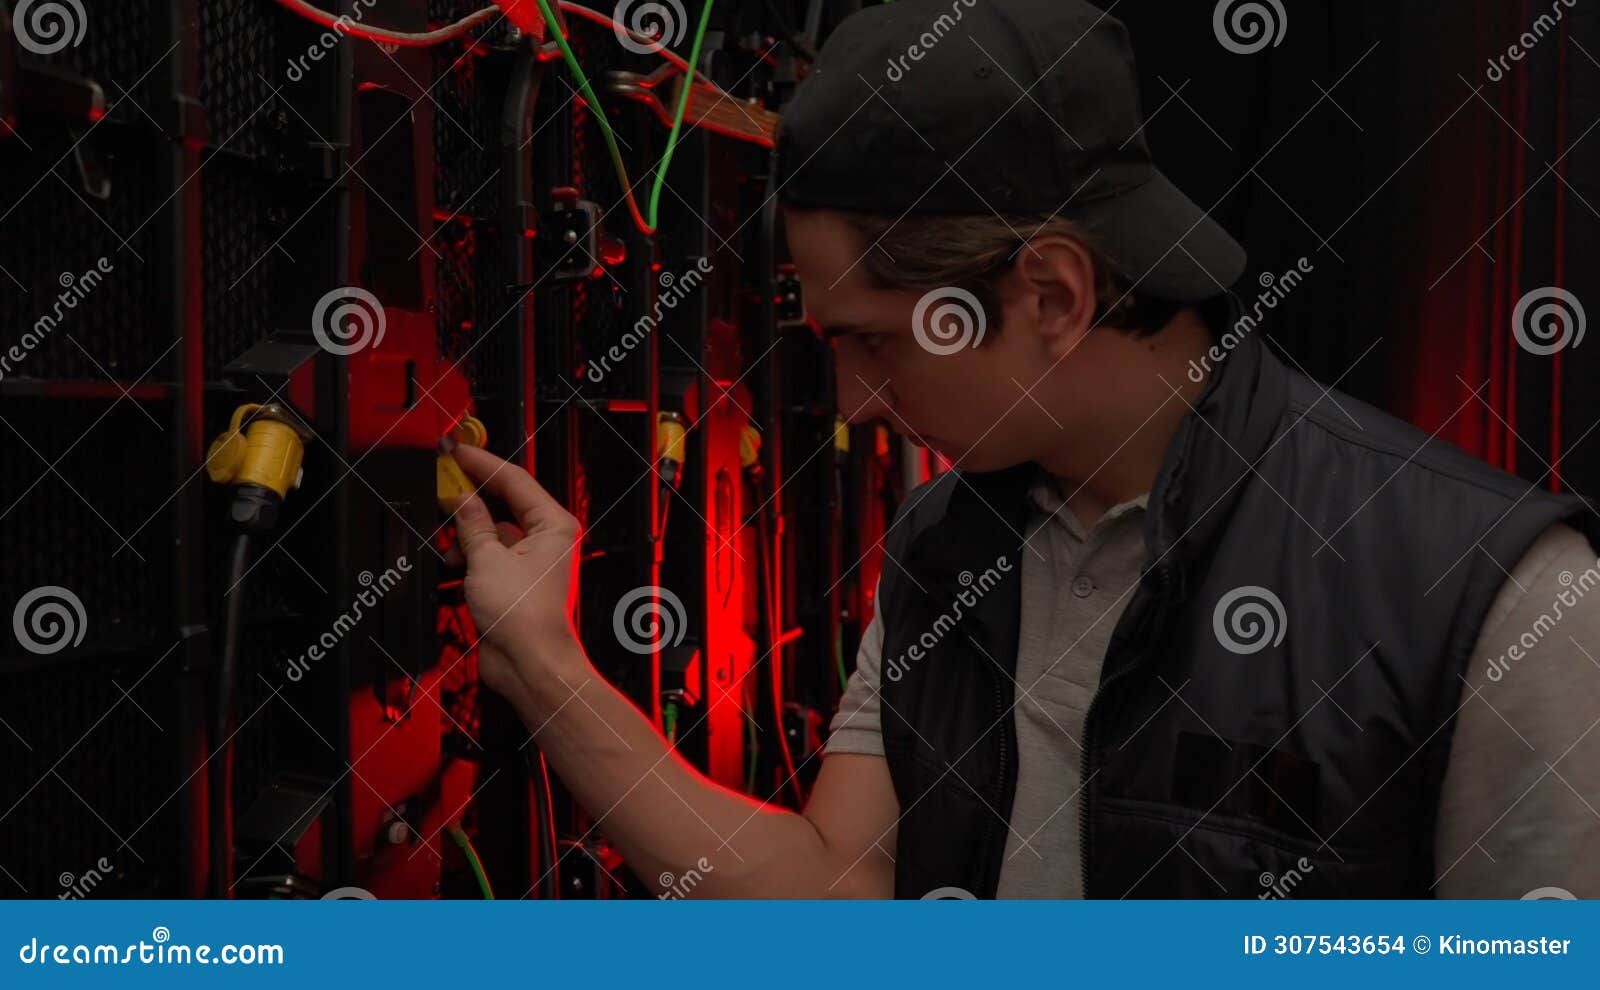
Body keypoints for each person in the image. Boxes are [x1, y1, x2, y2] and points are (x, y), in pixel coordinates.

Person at [447, 0, 1600, 898]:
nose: (850, 404)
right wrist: (544, 669)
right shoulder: (946, 546)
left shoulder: (1495, 596)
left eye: (877, 344)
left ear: (1051, 291)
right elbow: (837, 900)